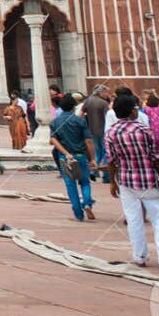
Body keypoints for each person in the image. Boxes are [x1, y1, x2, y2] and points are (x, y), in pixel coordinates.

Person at [104, 93, 159, 269]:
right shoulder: (144, 130)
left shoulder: (111, 133)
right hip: (148, 179)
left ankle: (140, 256)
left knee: (134, 219)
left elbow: (111, 160)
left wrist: (113, 182)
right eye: (135, 108)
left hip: (126, 180)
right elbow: (155, 158)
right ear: (131, 111)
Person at [49, 93, 97, 222]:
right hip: (80, 155)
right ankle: (87, 203)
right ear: (74, 107)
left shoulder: (55, 122)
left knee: (70, 185)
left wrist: (65, 153)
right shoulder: (80, 121)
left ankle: (78, 213)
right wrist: (92, 158)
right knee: (85, 182)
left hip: (65, 157)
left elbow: (53, 140)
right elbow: (88, 142)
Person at [83, 85, 112, 176]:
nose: (108, 94)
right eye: (106, 92)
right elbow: (108, 117)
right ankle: (106, 176)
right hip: (103, 130)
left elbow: (81, 115)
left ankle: (93, 171)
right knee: (106, 153)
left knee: (97, 152)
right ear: (101, 92)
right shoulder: (104, 103)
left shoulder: (87, 101)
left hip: (91, 130)